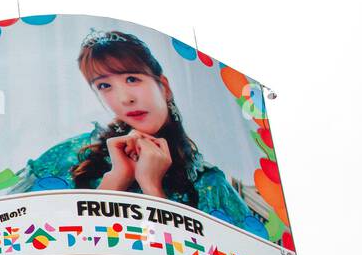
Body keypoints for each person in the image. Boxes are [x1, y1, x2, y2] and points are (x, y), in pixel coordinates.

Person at [15, 29, 261, 233]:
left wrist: (152, 187)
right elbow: (24, 235)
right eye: (104, 85)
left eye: (132, 79)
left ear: (163, 86)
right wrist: (116, 179)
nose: (124, 99)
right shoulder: (67, 157)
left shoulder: (209, 184)